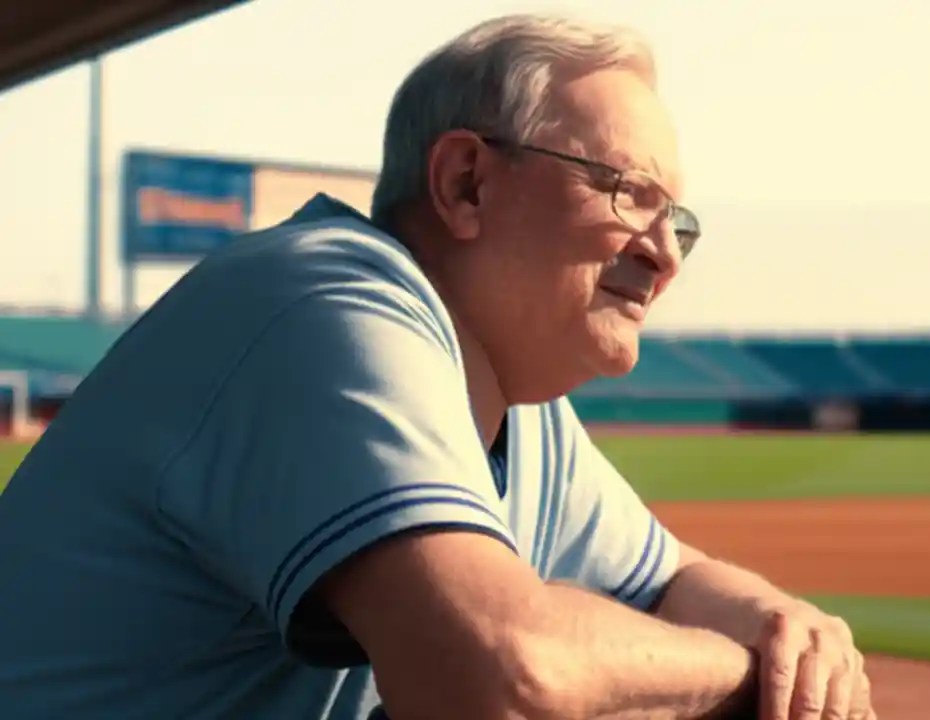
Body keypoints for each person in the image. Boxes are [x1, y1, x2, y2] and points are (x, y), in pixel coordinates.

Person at [0, 13, 875, 720]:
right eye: (627, 194)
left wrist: (783, 628)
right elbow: (497, 678)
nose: (665, 255)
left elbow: (673, 580)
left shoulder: (511, 401)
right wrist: (739, 670)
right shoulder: (326, 307)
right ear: (465, 183)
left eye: (677, 222)